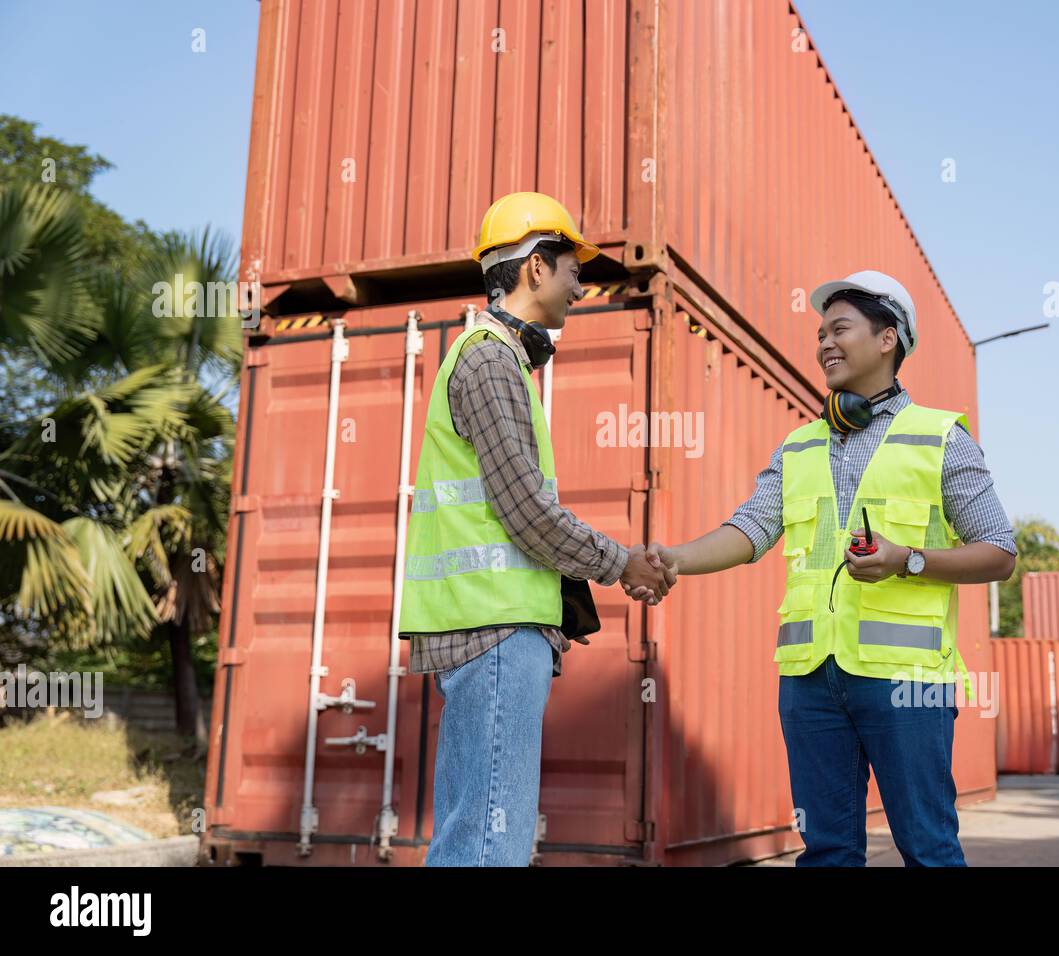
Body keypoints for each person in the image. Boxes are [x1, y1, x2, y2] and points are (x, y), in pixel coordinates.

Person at [627, 270, 1016, 866]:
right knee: (827, 851)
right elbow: (750, 529)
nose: (824, 345)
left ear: (889, 338)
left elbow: (999, 551)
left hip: (905, 680)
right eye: (820, 334)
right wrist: (675, 558)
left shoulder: (940, 438)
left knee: (928, 848)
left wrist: (906, 561)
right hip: (811, 678)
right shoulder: (800, 445)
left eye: (840, 329)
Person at [399, 191, 674, 866]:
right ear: (534, 269)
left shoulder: (497, 359)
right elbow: (526, 513)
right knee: (491, 845)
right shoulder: (490, 359)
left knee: (472, 836)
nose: (581, 284)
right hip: (493, 633)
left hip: (488, 630)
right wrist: (622, 563)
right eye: (571, 266)